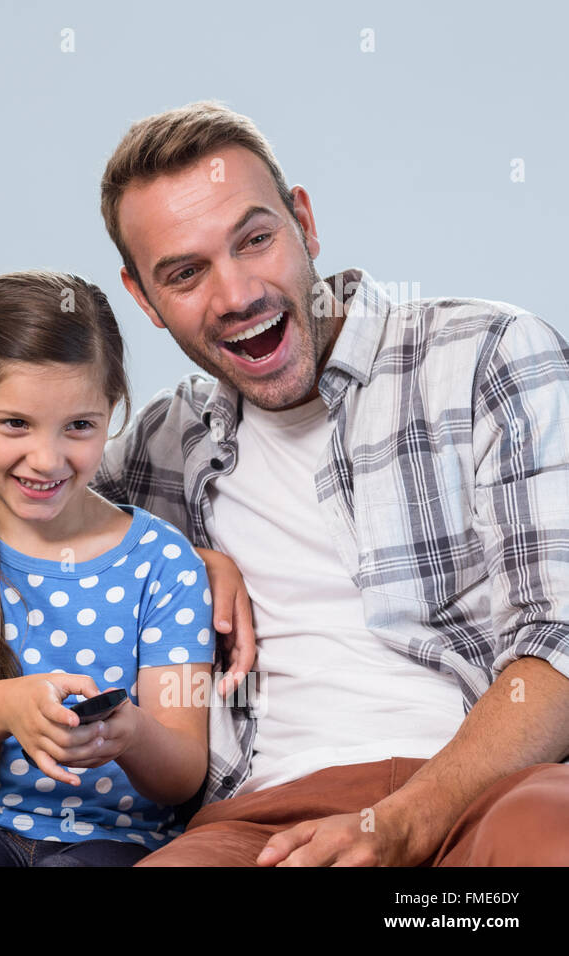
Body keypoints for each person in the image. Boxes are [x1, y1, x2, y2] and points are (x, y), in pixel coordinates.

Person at [92, 100, 569, 866]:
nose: (237, 294)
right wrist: (166, 555)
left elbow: (559, 639)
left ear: (304, 223)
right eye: (185, 273)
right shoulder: (157, 446)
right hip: (257, 822)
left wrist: (398, 824)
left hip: (481, 793)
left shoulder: (488, 355)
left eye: (255, 239)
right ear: (143, 298)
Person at [0, 271, 252, 866]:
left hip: (118, 839)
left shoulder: (165, 564)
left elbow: (181, 773)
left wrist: (130, 732)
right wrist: (11, 705)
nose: (46, 459)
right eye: (15, 424)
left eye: (79, 426)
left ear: (112, 413)